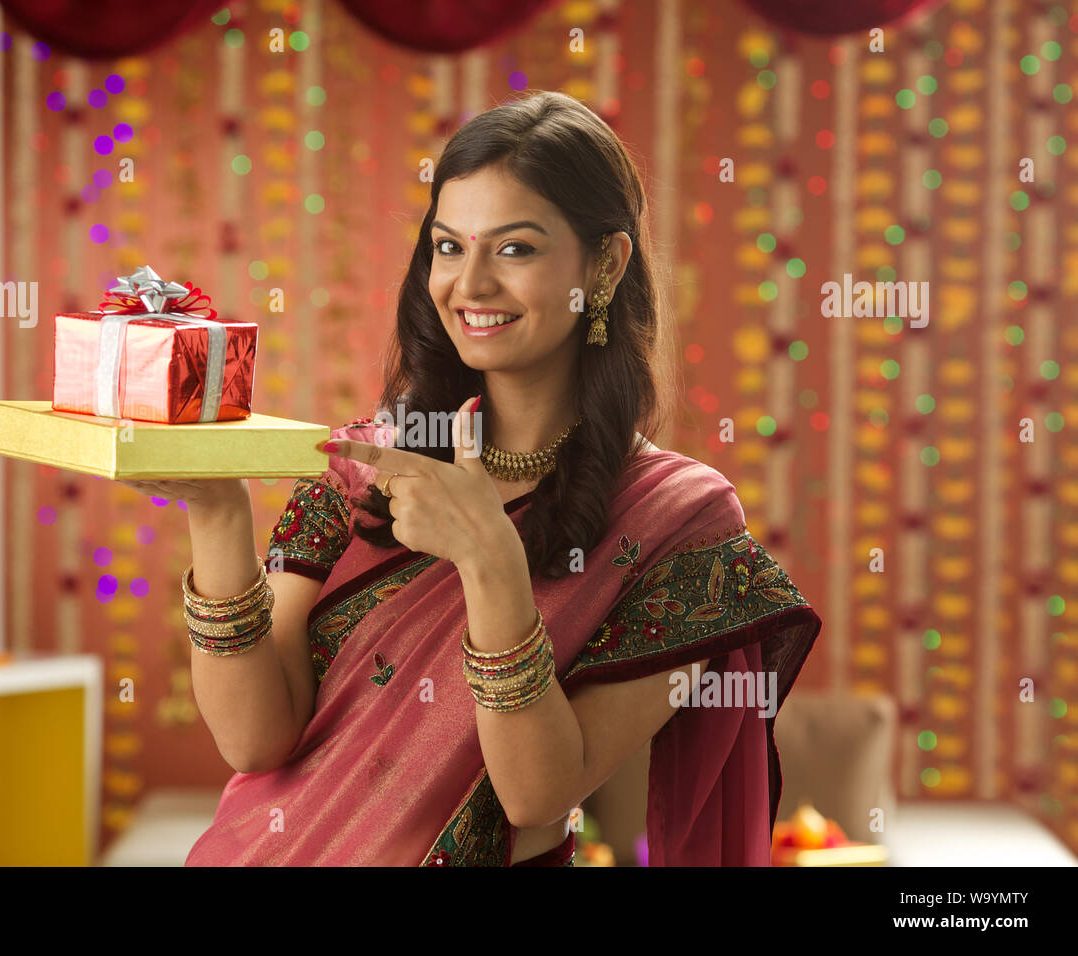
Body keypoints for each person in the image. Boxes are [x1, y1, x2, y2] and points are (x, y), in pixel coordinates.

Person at [121, 90, 821, 866]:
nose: (470, 285)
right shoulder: (367, 464)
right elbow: (256, 740)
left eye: (515, 249)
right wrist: (218, 517)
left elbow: (538, 793)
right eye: (449, 247)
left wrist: (490, 558)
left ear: (606, 263)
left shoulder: (678, 520)